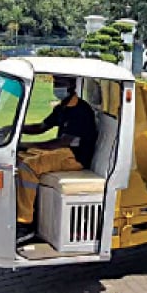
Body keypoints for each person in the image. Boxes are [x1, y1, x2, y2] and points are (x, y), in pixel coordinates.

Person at [15, 76, 98, 244]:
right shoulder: (63, 107)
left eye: (60, 84)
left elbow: (62, 142)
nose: (56, 87)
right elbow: (41, 127)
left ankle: (25, 223)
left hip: (75, 156)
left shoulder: (81, 110)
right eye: (55, 83)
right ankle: (26, 208)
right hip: (63, 151)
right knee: (17, 157)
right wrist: (16, 128)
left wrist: (26, 144)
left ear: (72, 85)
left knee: (28, 166)